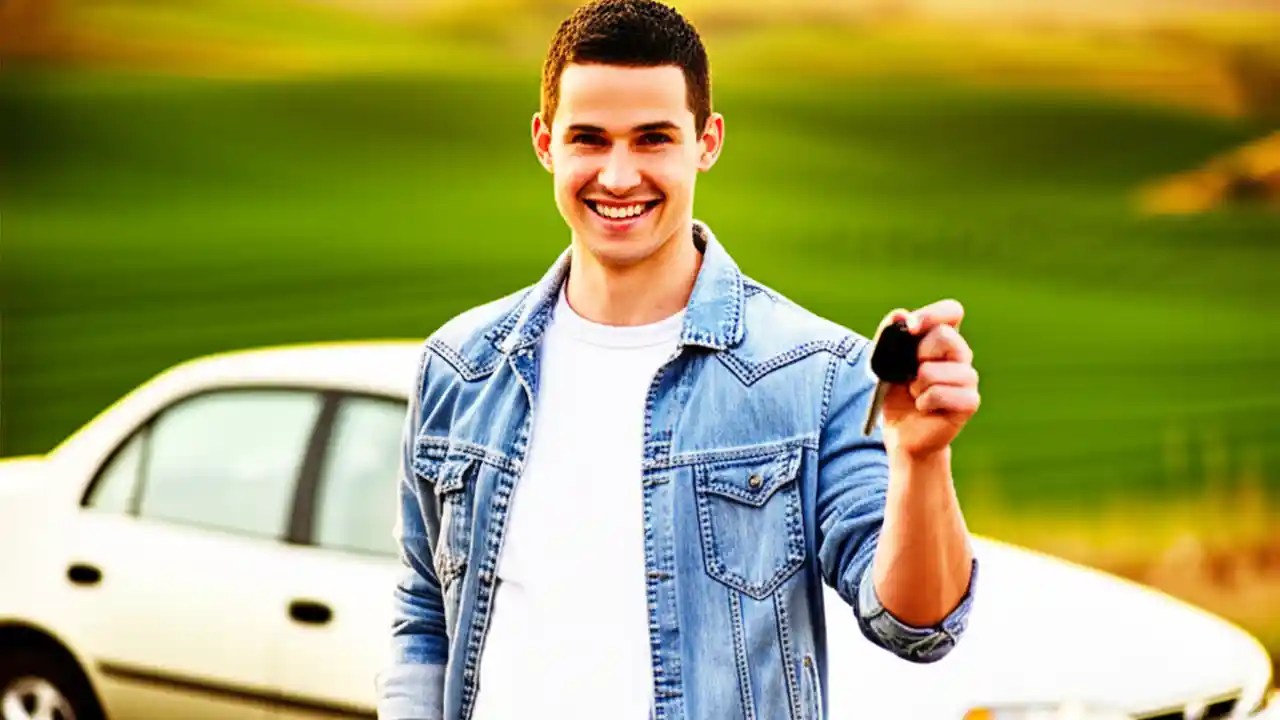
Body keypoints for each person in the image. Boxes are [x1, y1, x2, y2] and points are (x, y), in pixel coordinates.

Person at [377, 1, 980, 718]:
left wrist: (921, 459)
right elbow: (424, 614)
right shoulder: (458, 368)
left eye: (653, 139)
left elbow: (916, 625)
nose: (618, 176)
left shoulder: (817, 375)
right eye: (589, 139)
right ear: (545, 142)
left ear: (707, 141)